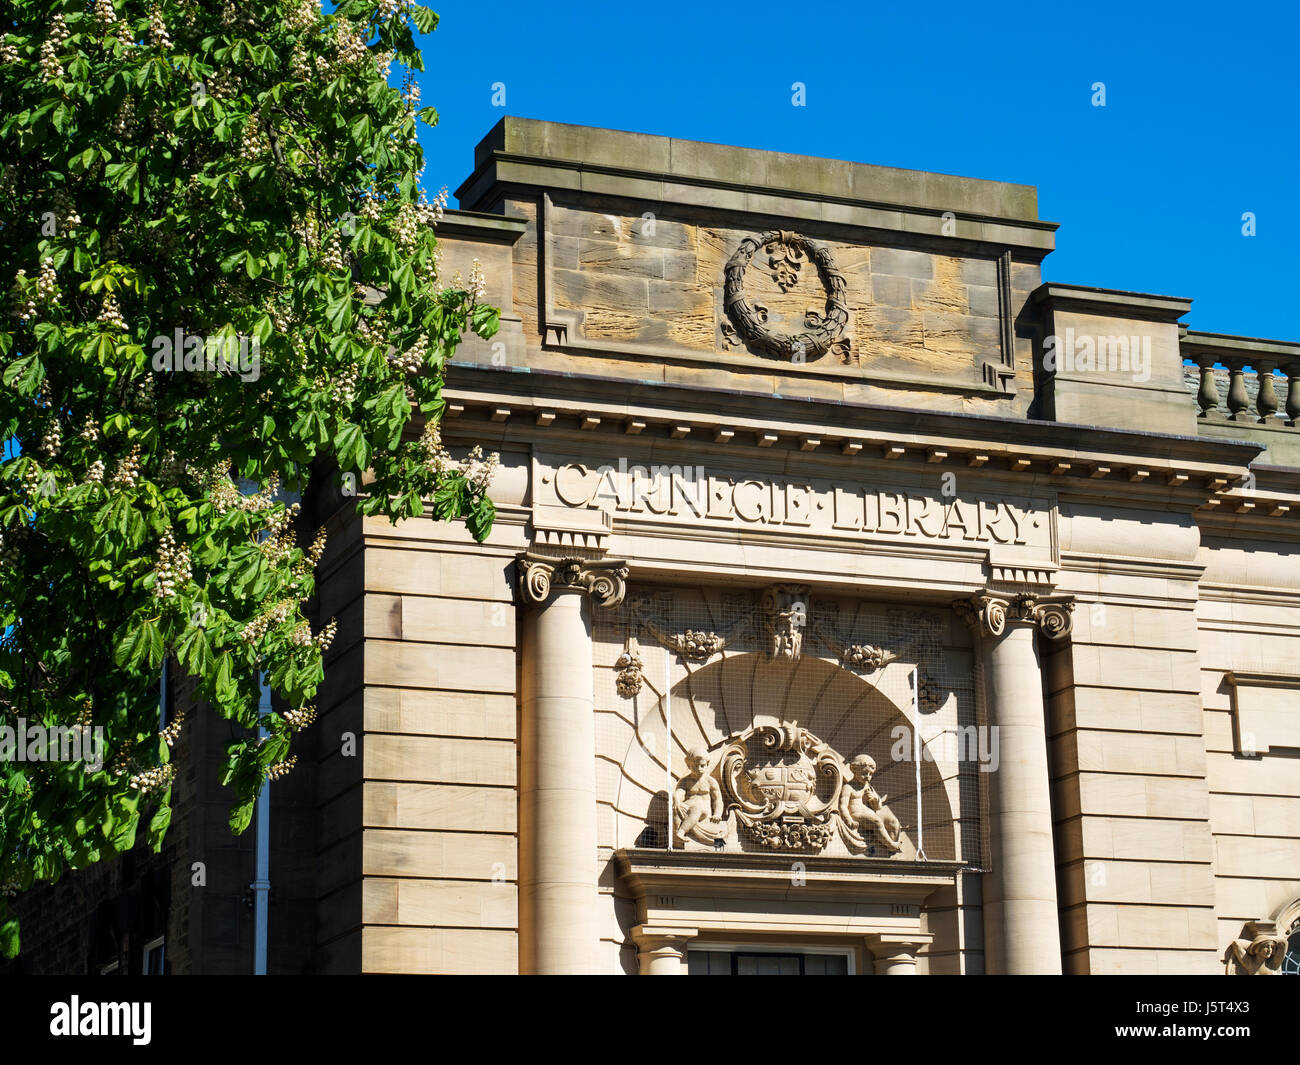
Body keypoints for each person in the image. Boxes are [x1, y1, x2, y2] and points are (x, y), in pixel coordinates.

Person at [838, 754, 903, 854]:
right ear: (855, 770)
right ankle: (891, 845)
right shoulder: (848, 787)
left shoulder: (867, 786)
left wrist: (875, 799)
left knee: (893, 821)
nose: (868, 777)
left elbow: (878, 807)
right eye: (864, 773)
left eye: (870, 774)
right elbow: (842, 806)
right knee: (877, 821)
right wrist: (849, 820)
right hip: (856, 813)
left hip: (869, 812)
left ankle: (889, 850)